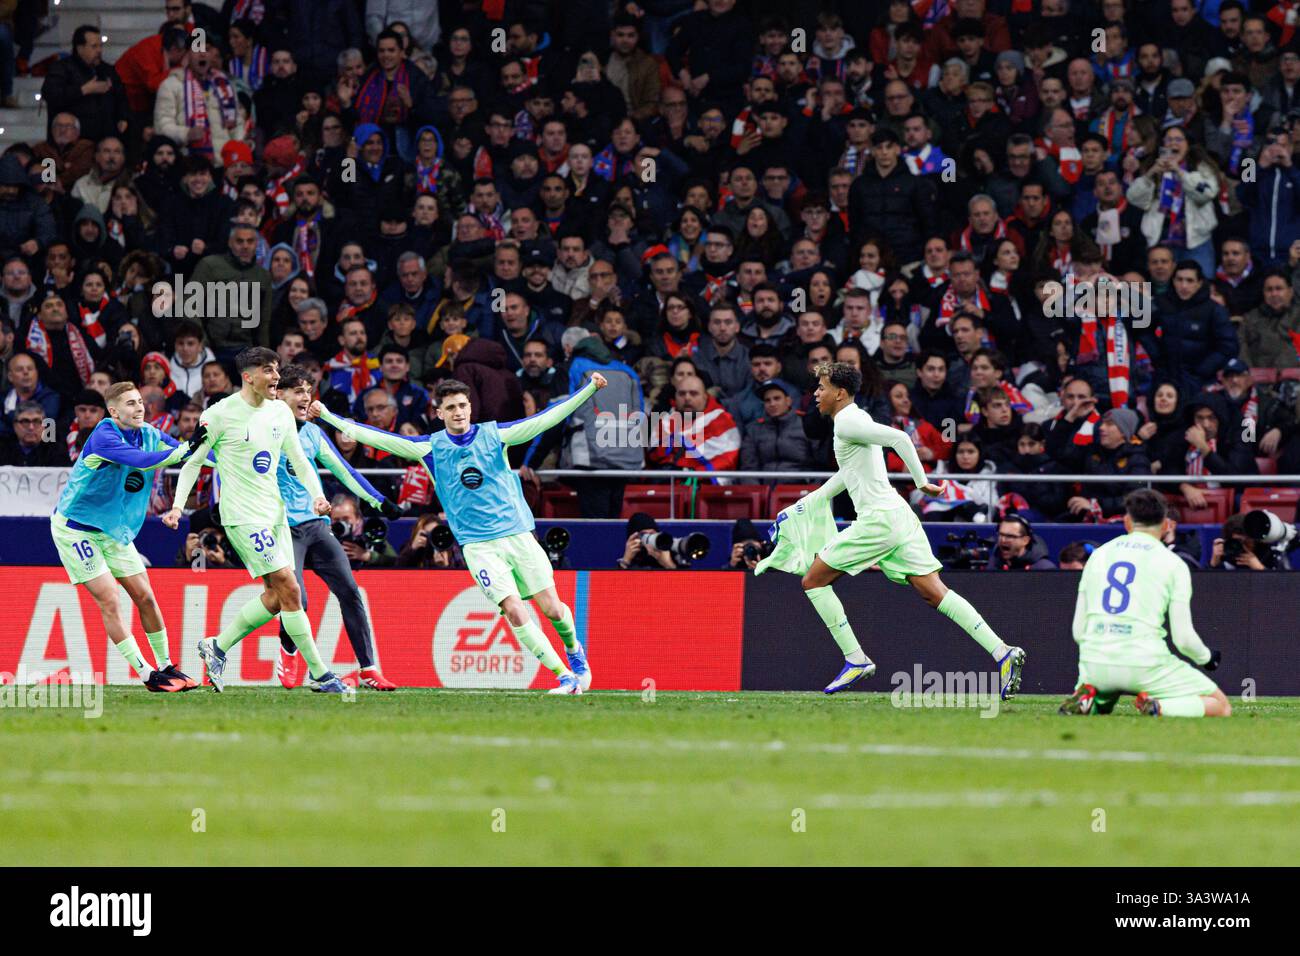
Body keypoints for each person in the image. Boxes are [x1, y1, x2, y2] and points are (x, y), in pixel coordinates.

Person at [309, 373, 612, 695]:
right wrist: (328, 415)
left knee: (553, 609)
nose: (458, 412)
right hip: (478, 546)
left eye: (463, 405)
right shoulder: (429, 447)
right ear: (439, 412)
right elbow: (374, 436)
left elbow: (544, 420)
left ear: (470, 408)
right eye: (451, 407)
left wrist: (589, 389)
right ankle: (564, 677)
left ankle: (574, 650)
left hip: (517, 535)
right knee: (514, 609)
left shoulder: (496, 435)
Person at [755, 361, 1027, 699]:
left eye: (822, 387)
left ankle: (856, 659)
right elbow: (848, 474)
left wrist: (921, 481)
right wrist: (807, 502)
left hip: (878, 521)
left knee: (813, 580)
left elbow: (899, 438)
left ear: (840, 393)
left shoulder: (849, 422)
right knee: (934, 592)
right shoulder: (855, 419)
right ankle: (1003, 652)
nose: (816, 394)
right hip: (898, 517)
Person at [163, 347, 350, 694]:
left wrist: (317, 495)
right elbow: (193, 462)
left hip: (275, 514)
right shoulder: (218, 414)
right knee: (290, 587)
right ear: (248, 377)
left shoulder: (280, 412)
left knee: (277, 596)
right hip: (243, 516)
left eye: (276, 369)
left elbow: (299, 459)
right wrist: (177, 507)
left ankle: (217, 646)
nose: (276, 377)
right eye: (268, 370)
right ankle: (320, 674)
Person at [49, 381, 206, 692]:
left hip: (112, 531)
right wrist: (189, 446)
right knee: (110, 598)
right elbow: (144, 460)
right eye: (131, 404)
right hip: (76, 530)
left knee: (145, 596)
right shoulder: (104, 437)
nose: (139, 408)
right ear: (114, 411)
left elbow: (186, 453)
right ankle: (147, 674)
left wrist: (222, 454)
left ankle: (166, 666)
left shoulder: (148, 433)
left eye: (140, 402)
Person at [272, 364, 402, 691]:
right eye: (298, 391)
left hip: (316, 525)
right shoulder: (264, 431)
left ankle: (368, 669)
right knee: (296, 598)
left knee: (350, 591)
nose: (306, 398)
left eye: (308, 391)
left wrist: (378, 501)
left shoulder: (313, 434)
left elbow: (345, 472)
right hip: (282, 528)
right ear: (279, 394)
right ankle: (288, 650)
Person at [1060, 489, 1231, 718]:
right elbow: (1183, 639)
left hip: (1095, 663)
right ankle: (1159, 707)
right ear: (1166, 525)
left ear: (1127, 522)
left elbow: (1078, 631)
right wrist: (1207, 658)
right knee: (1220, 705)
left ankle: (1089, 697)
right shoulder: (1173, 563)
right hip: (1145, 664)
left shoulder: (1098, 555)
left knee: (1101, 700)